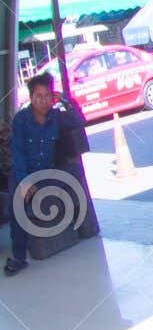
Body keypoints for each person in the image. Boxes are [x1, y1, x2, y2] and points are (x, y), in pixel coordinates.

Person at [6, 73, 87, 275]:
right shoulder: (21, 120)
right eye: (38, 96)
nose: (43, 101)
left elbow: (79, 120)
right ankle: (19, 257)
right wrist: (25, 182)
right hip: (24, 173)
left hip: (47, 173)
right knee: (16, 203)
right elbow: (18, 153)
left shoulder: (56, 117)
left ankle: (82, 228)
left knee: (74, 172)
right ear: (31, 97)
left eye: (47, 96)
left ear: (52, 96)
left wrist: (65, 100)